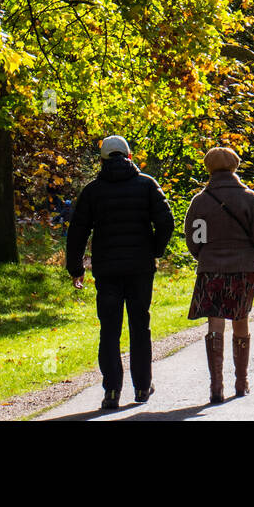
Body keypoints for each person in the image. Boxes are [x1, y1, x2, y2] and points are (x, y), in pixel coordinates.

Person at [66, 135, 174, 410]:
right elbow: (166, 221)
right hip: (140, 267)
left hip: (107, 268)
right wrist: (156, 249)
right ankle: (141, 386)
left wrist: (76, 268)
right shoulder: (147, 185)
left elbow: (78, 230)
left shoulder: (93, 190)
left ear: (102, 159)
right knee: (140, 326)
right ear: (129, 156)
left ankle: (112, 391)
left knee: (109, 330)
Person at [185, 147, 254, 403]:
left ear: (208, 168)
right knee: (240, 319)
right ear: (235, 166)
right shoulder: (249, 197)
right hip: (243, 267)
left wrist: (205, 256)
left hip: (211, 267)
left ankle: (216, 386)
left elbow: (193, 238)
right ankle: (242, 381)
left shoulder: (200, 201)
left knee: (215, 320)